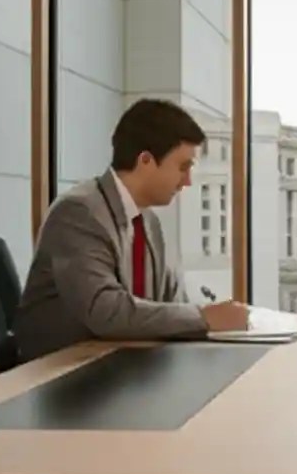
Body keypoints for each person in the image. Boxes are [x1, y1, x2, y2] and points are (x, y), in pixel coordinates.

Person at [13, 98, 248, 361]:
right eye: (183, 167)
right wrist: (203, 317)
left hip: (119, 366)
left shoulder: (149, 222)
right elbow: (107, 312)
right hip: (56, 375)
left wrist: (212, 319)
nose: (188, 181)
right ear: (146, 160)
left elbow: (171, 305)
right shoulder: (79, 213)